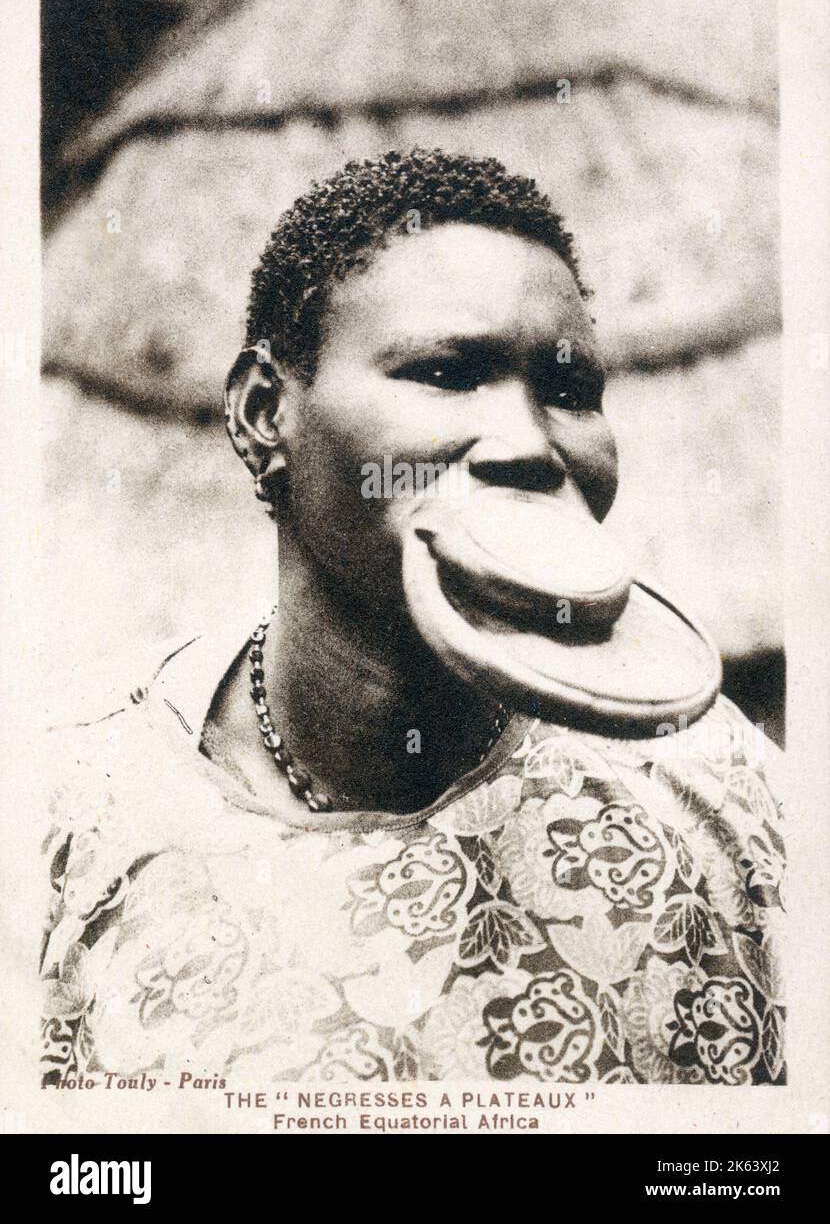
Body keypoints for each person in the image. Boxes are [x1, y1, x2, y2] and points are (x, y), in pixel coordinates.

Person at [42, 149, 785, 1086]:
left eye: (568, 391)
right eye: (446, 373)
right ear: (267, 410)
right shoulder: (61, 816)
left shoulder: (725, 800)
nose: (526, 443)